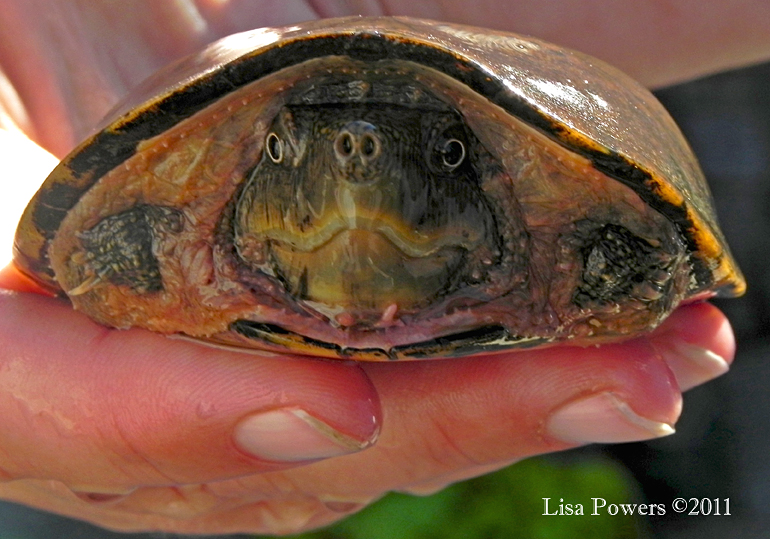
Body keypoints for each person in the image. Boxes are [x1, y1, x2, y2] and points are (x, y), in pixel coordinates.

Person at [0, 1, 766, 535]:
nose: (357, 169)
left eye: (449, 157)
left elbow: (662, 250)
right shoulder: (161, 215)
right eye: (280, 153)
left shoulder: (570, 212)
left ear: (495, 186)